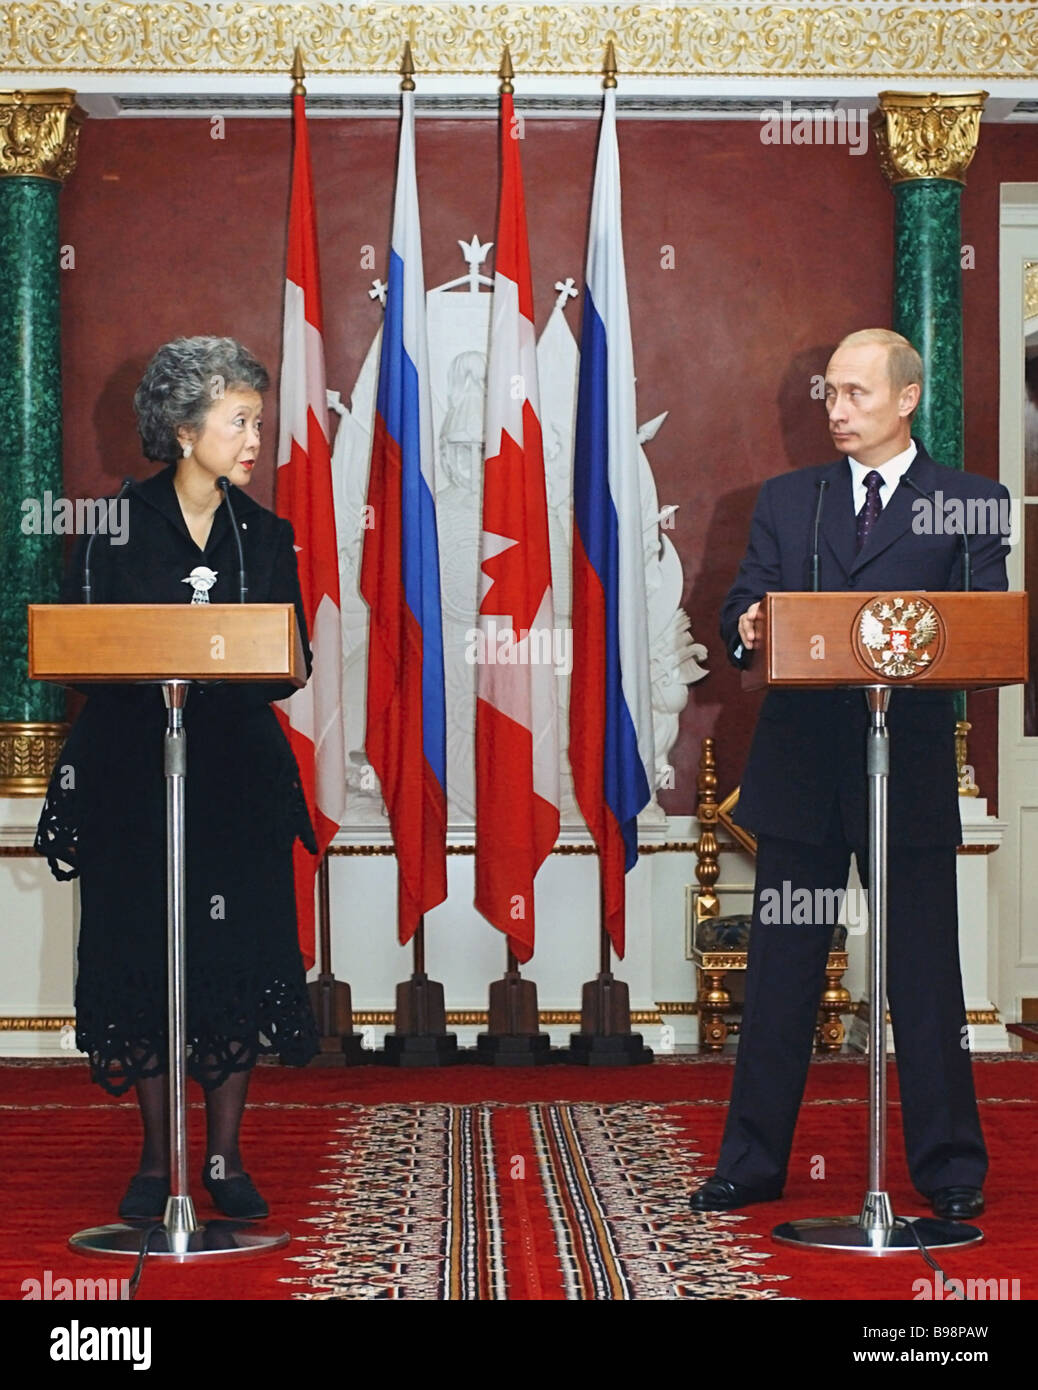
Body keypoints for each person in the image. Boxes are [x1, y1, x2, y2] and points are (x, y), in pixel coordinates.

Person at [690, 329, 1011, 1221]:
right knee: (784, 973)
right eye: (829, 394)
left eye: (855, 394)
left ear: (907, 399)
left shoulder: (969, 503)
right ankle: (750, 1165)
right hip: (802, 769)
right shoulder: (790, 501)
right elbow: (740, 603)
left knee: (926, 977)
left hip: (902, 767)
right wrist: (748, 623)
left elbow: (985, 620)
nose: (835, 410)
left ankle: (949, 1170)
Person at [35, 337, 320, 1222]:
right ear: (185, 425)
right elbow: (81, 648)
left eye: (257, 422)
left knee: (230, 964)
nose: (253, 439)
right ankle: (161, 1162)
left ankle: (226, 1159)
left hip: (233, 779)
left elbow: (291, 660)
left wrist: (219, 660)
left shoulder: (266, 533)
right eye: (239, 421)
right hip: (131, 776)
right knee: (142, 959)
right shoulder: (110, 525)